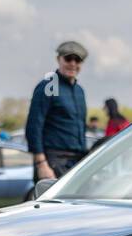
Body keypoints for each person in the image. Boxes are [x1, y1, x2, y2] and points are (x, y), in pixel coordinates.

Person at [26, 41, 89, 181]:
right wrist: (41, 164)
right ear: (58, 59)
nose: (73, 63)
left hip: (76, 161)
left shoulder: (80, 91)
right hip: (53, 161)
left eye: (77, 60)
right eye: (68, 59)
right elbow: (34, 126)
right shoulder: (48, 86)